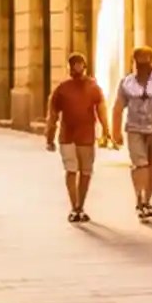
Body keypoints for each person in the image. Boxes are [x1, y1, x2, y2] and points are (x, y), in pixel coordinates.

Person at [45, 52, 110, 223]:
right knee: (71, 170)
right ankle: (75, 207)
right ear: (69, 68)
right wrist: (49, 136)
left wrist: (106, 130)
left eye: (80, 64)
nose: (77, 68)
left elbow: (101, 109)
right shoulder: (62, 89)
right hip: (67, 137)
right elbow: (52, 115)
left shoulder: (93, 87)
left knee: (86, 172)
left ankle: (81, 204)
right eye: (74, 65)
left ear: (85, 66)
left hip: (87, 136)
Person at [112, 46, 152, 220]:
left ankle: (148, 198)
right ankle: (140, 198)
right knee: (140, 164)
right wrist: (115, 132)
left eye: (147, 59)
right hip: (134, 128)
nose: (143, 63)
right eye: (139, 59)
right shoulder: (127, 83)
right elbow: (118, 107)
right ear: (134, 62)